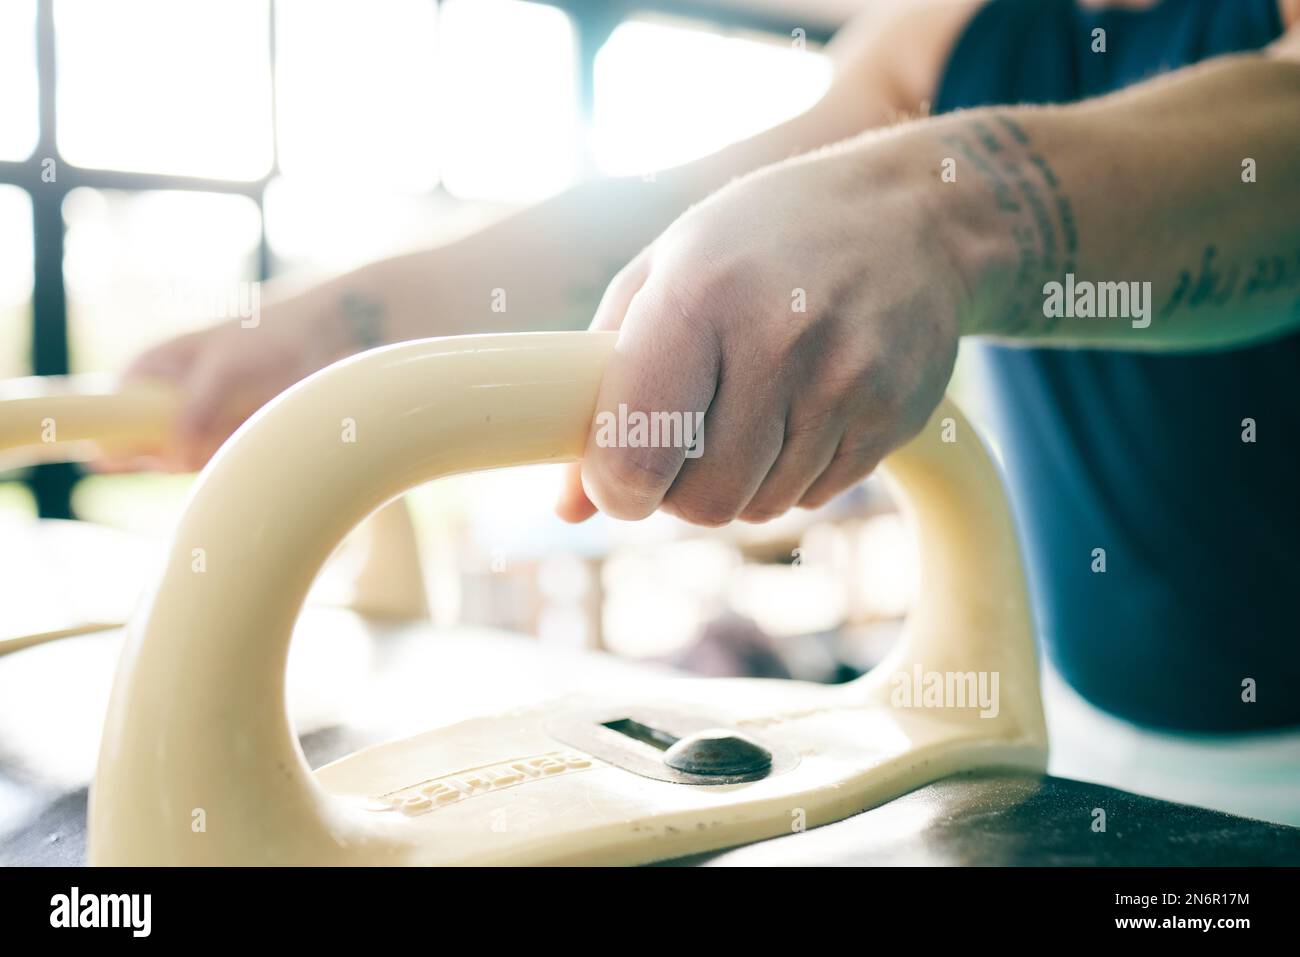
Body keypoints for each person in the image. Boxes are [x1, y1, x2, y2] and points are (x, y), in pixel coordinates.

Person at [123, 0, 1300, 818]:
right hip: (1080, 736)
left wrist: (938, 215)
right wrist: (326, 329)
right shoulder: (953, 38)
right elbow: (659, 216)